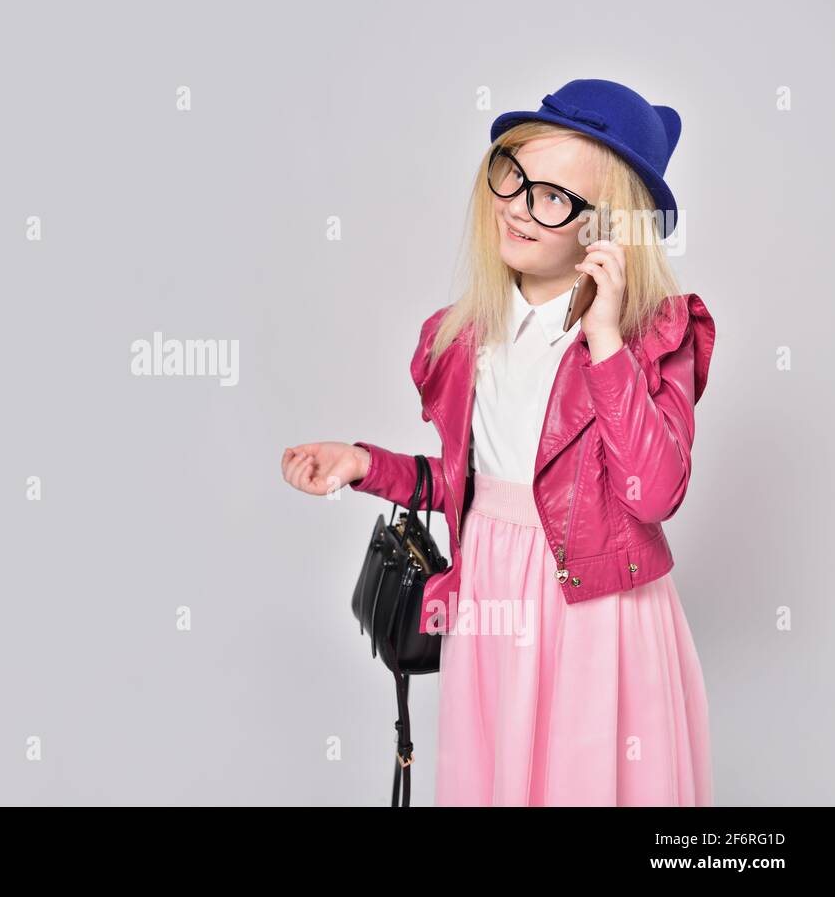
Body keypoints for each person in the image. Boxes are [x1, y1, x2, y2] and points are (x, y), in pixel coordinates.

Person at [280, 79, 715, 806]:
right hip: (491, 597)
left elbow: (652, 489)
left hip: (593, 609)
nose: (518, 204)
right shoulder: (466, 333)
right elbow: (484, 485)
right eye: (513, 175)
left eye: (553, 196)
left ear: (606, 227)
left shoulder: (648, 339)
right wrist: (365, 464)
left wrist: (605, 338)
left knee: (585, 780)